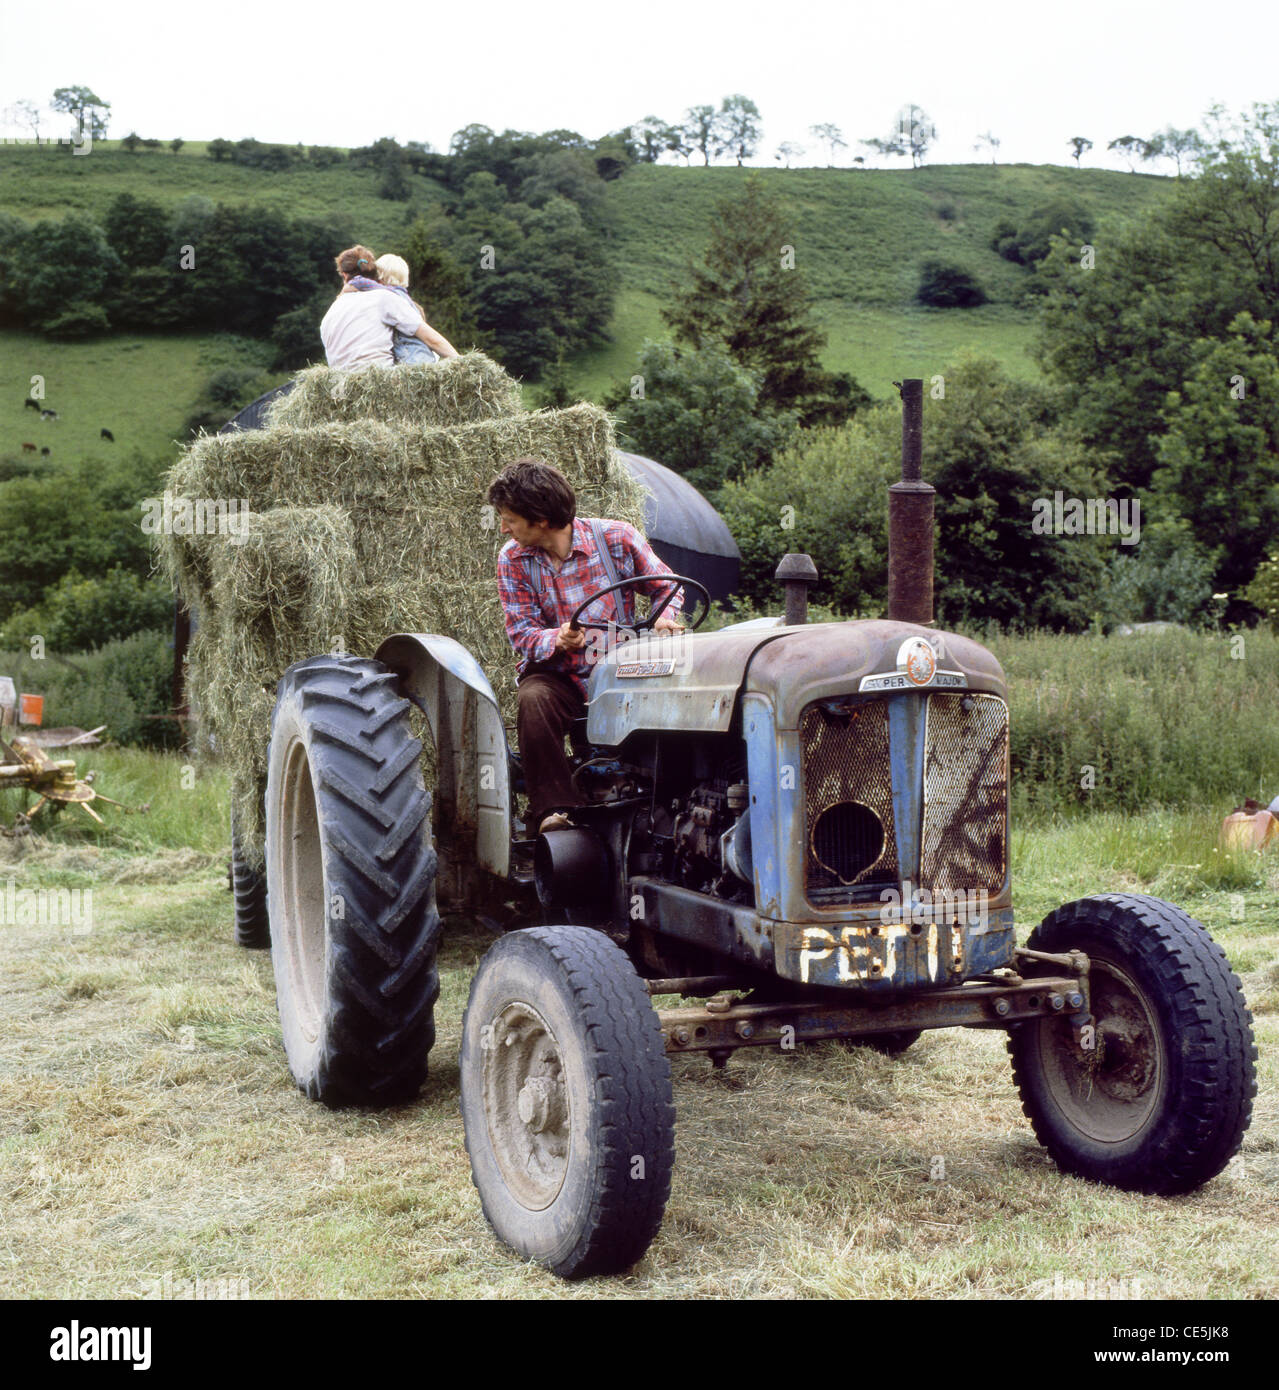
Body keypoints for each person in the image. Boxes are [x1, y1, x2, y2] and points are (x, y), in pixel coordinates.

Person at [489, 457, 683, 835]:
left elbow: (668, 585)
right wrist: (556, 638)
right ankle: (555, 810)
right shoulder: (513, 560)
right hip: (561, 675)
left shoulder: (616, 538)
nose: (504, 528)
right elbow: (522, 632)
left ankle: (666, 802)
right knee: (534, 699)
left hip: (623, 669)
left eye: (510, 519)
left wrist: (663, 616)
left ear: (540, 520)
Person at [320, 245, 457, 369]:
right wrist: (463, 363)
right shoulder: (384, 298)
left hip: (342, 387)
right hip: (379, 381)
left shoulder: (330, 312)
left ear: (344, 275)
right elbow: (432, 339)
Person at [342, 253, 439, 364]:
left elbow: (363, 283)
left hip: (411, 360)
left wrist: (349, 286)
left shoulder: (391, 295)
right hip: (422, 357)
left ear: (380, 275)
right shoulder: (406, 299)